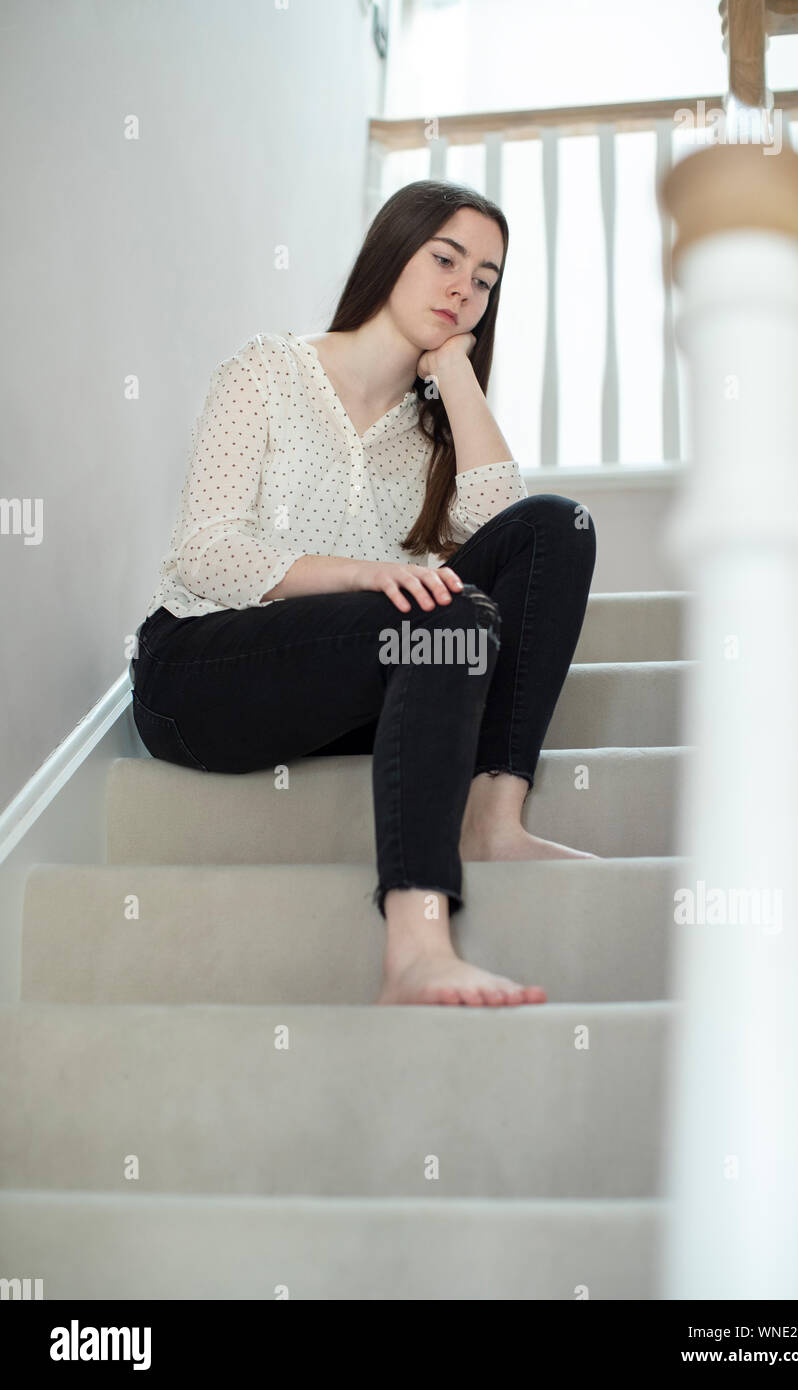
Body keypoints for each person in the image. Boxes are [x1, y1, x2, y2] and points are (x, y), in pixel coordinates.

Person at [130, 179, 598, 1008]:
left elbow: (509, 528)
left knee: (557, 527)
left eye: (486, 280)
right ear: (393, 253)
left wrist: (455, 373)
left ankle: (493, 819)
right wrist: (365, 572)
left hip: (351, 689)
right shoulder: (268, 371)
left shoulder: (432, 434)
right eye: (445, 259)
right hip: (204, 672)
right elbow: (205, 553)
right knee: (438, 611)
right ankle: (417, 948)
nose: (465, 288)